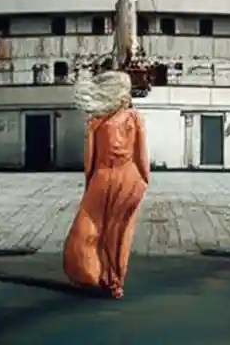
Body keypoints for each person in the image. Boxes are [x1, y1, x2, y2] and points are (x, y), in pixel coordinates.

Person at [62, 70, 150, 298]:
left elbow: (89, 156)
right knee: (120, 232)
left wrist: (89, 180)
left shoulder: (96, 121)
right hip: (130, 177)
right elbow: (141, 154)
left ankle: (95, 275)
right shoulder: (135, 118)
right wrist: (144, 179)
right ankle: (115, 282)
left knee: (89, 230)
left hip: (102, 177)